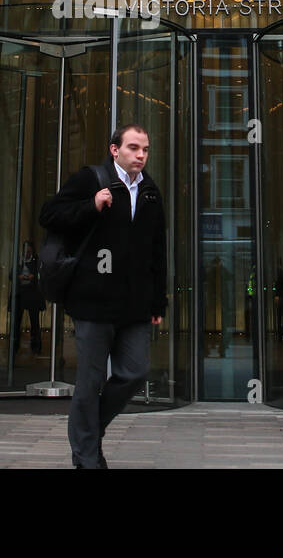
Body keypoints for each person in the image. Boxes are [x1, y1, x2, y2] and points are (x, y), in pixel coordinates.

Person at [39, 124, 167, 469]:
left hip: (135, 305)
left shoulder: (151, 192)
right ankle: (86, 457)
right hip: (93, 302)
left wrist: (158, 301)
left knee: (135, 372)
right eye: (133, 148)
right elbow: (48, 214)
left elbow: (158, 251)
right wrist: (91, 205)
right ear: (115, 150)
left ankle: (89, 433)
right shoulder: (91, 180)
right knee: (90, 382)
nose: (141, 155)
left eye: (145, 149)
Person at [15, 239, 44, 354]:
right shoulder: (18, 261)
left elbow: (38, 275)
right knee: (16, 322)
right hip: (20, 295)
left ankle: (36, 346)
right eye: (25, 250)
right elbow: (12, 274)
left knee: (34, 323)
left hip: (32, 295)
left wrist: (31, 277)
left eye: (29, 250)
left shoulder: (36, 261)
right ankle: (15, 346)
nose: (27, 252)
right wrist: (19, 277)